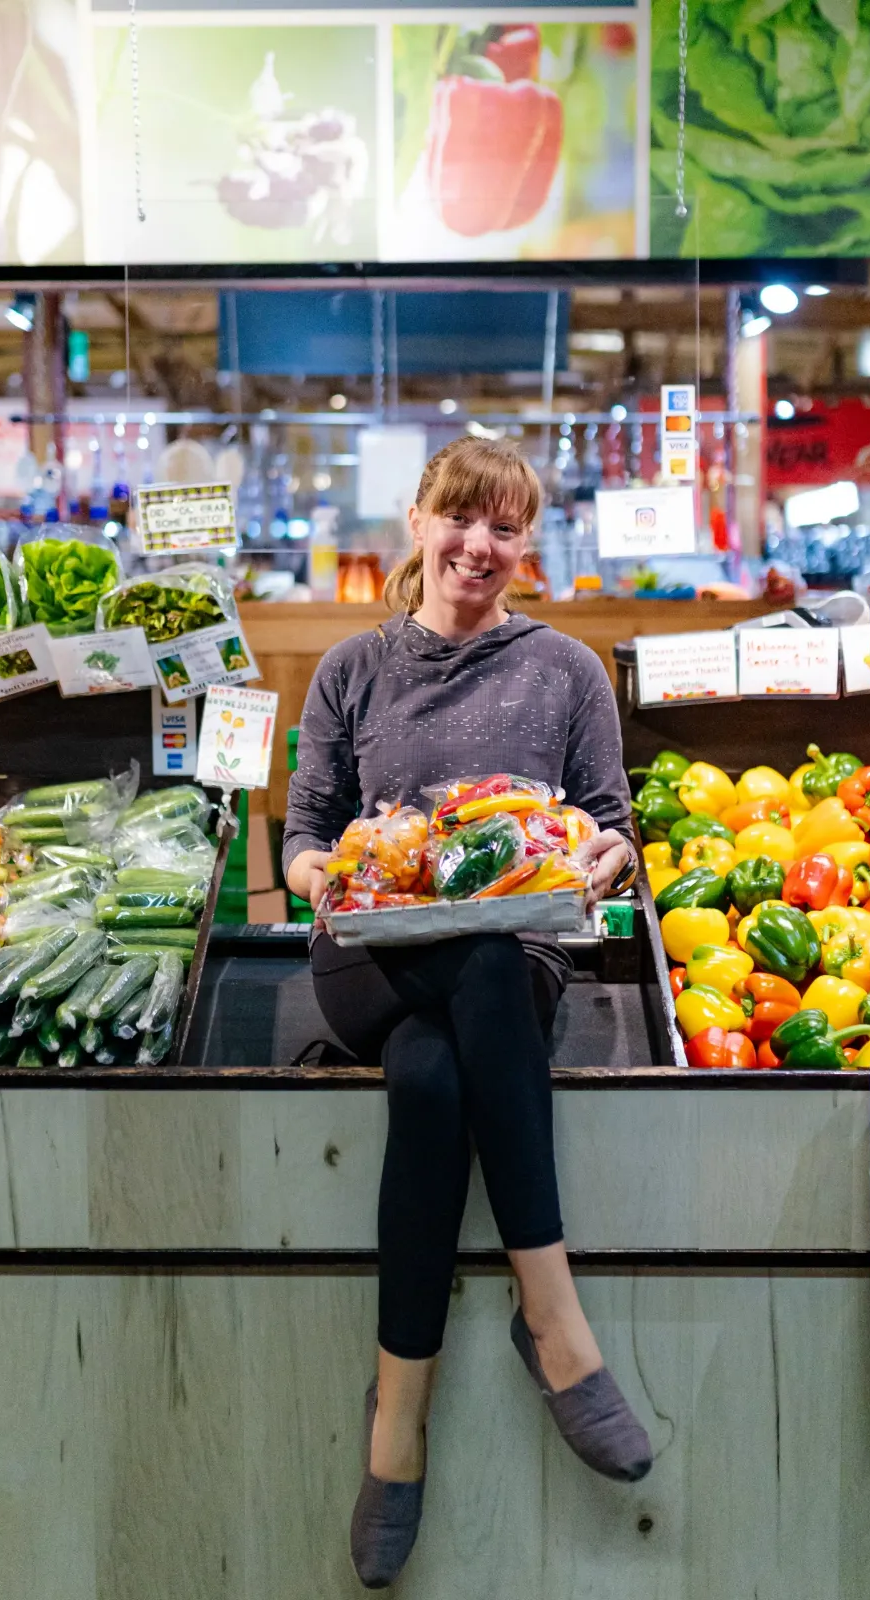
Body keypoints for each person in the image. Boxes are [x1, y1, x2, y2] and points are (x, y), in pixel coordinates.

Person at [283, 436, 651, 1591]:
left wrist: (592, 859)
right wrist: (328, 877)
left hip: (507, 964)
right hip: (372, 956)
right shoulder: (349, 669)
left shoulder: (565, 672)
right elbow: (299, 837)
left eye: (502, 529)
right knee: (466, 979)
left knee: (448, 1049)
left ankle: (396, 1427)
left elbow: (612, 828)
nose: (476, 547)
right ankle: (556, 1323)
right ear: (417, 519)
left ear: (525, 548)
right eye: (460, 519)